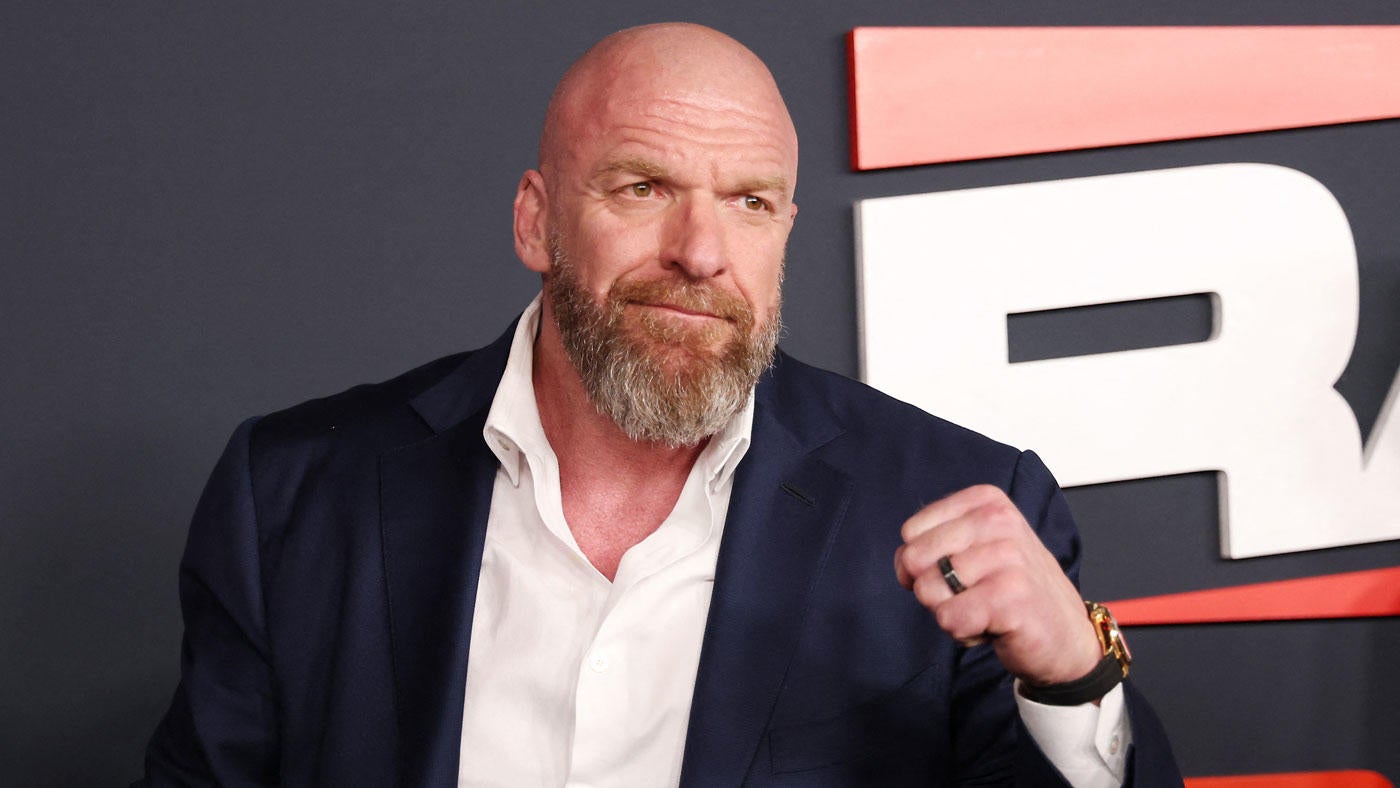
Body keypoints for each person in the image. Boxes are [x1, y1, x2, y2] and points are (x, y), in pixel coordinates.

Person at [137, 22, 1180, 787]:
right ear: (537, 222)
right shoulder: (295, 494)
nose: (701, 252)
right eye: (642, 188)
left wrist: (1073, 681)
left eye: (748, 202)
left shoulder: (959, 500)